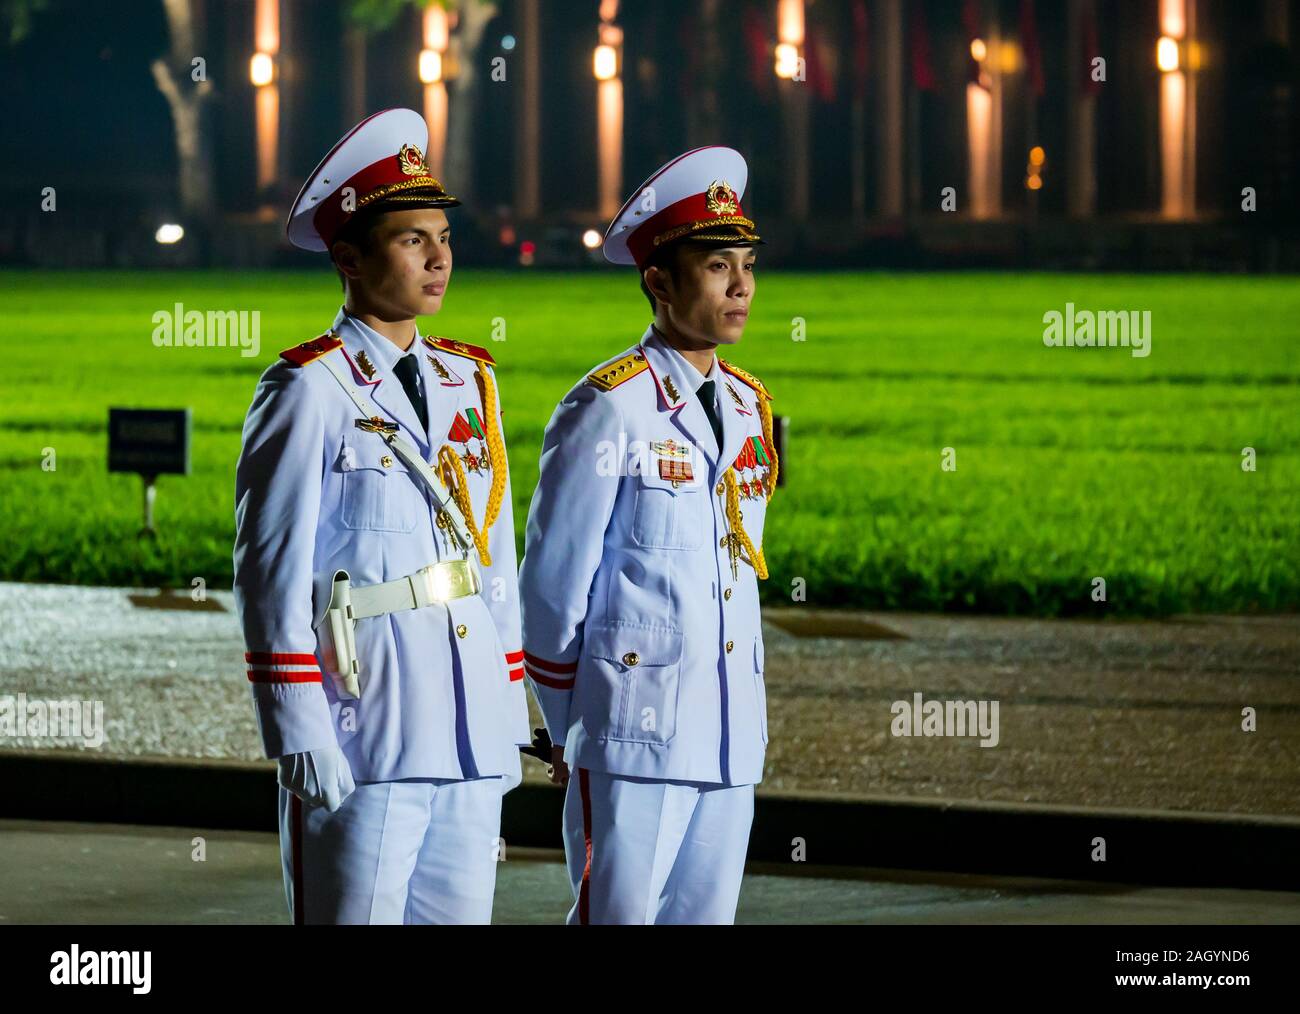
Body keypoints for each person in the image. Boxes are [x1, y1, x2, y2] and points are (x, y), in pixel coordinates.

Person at [232, 108, 529, 925]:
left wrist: (509, 715)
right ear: (349, 259)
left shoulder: (472, 379)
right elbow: (269, 574)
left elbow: (493, 561)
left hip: (467, 730)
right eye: (412, 240)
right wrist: (298, 727)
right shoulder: (306, 389)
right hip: (365, 730)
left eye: (442, 236)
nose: (439, 258)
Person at [518, 146, 778, 924]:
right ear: (658, 281)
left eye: (747, 264)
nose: (741, 286)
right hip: (631, 729)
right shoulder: (608, 406)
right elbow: (551, 589)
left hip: (729, 733)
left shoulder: (747, 405)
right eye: (716, 267)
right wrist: (574, 731)